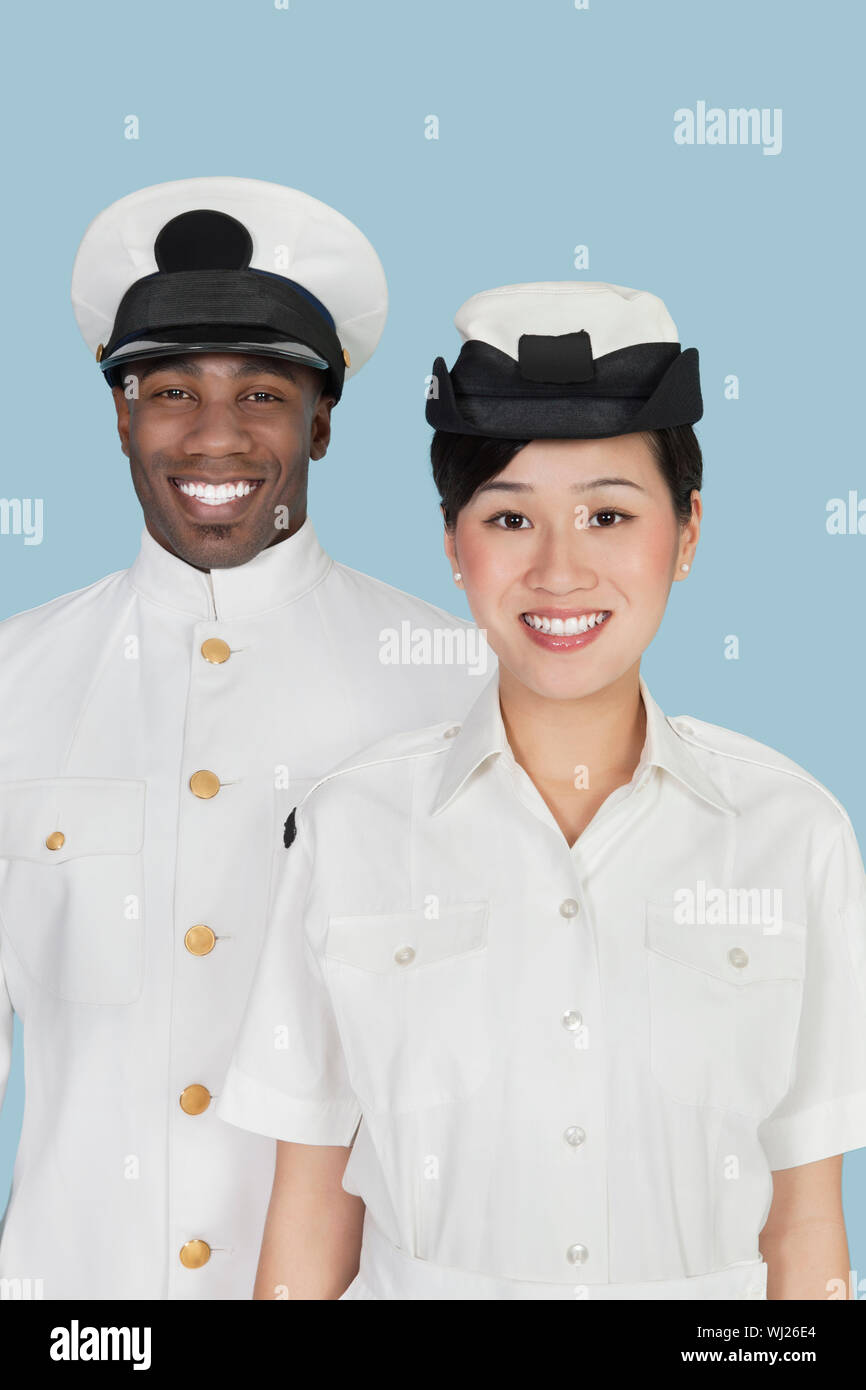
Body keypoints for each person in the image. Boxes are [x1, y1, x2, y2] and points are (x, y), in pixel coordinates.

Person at [218, 281, 866, 1301]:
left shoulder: (792, 835)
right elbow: (307, 1218)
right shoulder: (352, 828)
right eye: (509, 516)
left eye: (608, 514)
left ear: (687, 532)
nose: (559, 570)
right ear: (452, 545)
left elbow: (804, 1227)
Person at [0, 177, 489, 1300]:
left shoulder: (462, 688)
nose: (214, 434)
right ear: (119, 413)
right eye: (170, 389)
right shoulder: (12, 686)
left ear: (322, 418)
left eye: (263, 392)